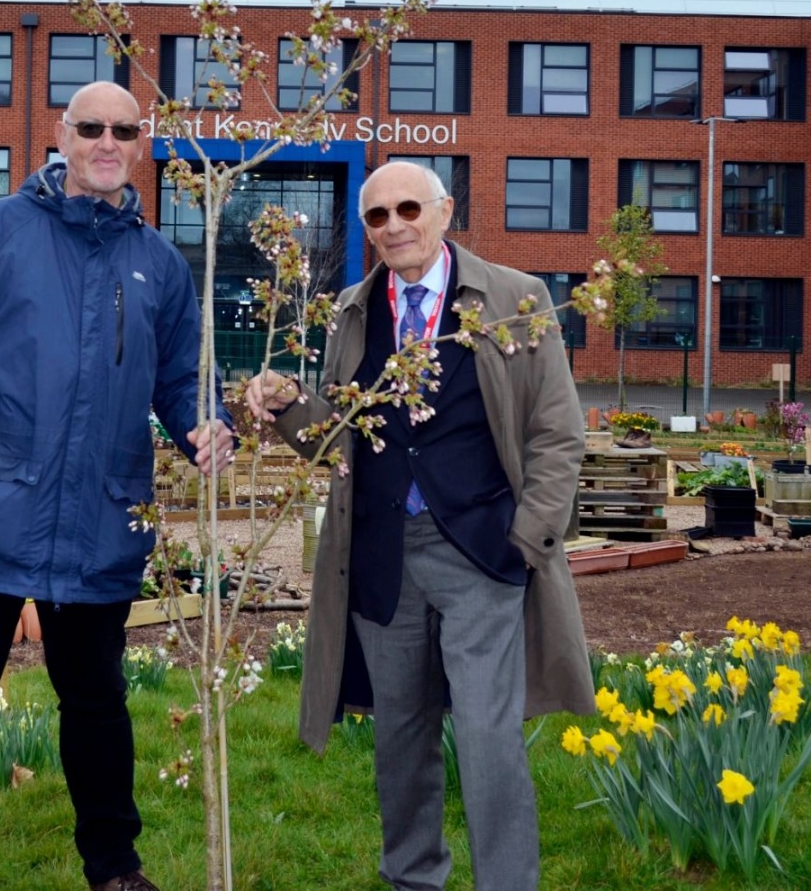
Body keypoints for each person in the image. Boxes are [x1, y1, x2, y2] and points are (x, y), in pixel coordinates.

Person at [0, 81, 234, 891]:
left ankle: (114, 868)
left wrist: (208, 423)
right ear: (62, 135)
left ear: (142, 143)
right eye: (91, 127)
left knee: (98, 705)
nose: (108, 142)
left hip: (100, 524)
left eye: (124, 130)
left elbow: (183, 382)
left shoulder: (159, 265)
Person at [245, 160, 594, 890]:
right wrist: (286, 409)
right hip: (381, 560)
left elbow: (557, 434)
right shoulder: (351, 309)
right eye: (377, 216)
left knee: (487, 737)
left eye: (409, 208)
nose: (395, 225)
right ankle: (413, 879)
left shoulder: (515, 299)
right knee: (400, 743)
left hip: (482, 554)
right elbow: (344, 439)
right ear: (367, 230)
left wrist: (528, 539)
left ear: (444, 212)